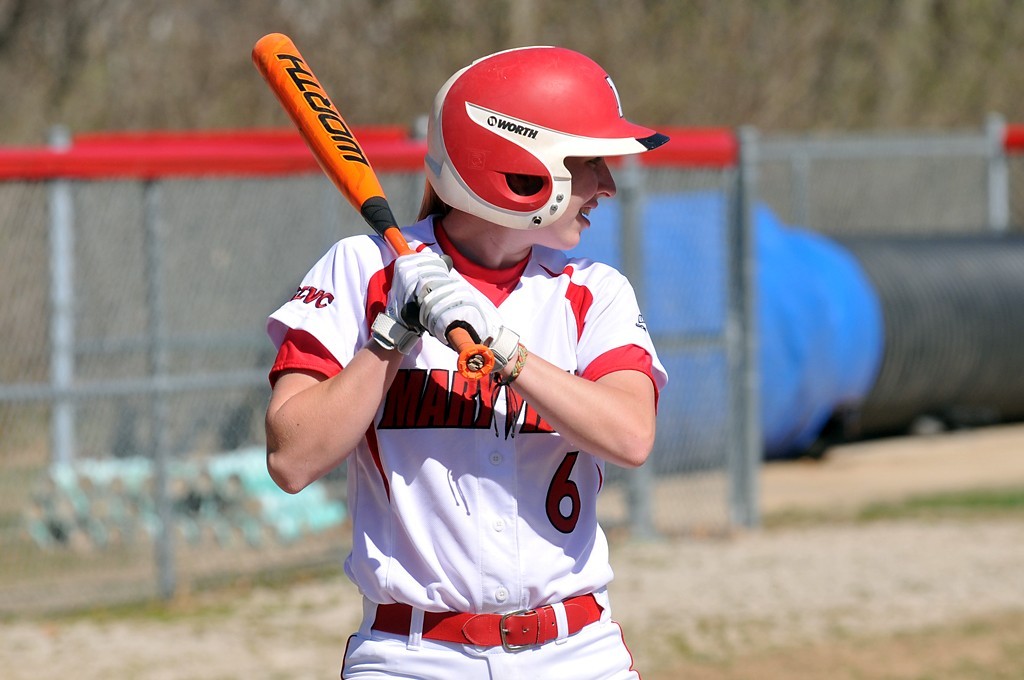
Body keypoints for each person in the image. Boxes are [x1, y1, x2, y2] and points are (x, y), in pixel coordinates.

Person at [265, 45, 669, 680]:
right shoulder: (364, 271)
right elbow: (291, 458)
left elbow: (630, 435)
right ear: (519, 169)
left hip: (575, 652)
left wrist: (506, 350)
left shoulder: (595, 289)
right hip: (412, 655)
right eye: (586, 162)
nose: (606, 185)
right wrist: (389, 338)